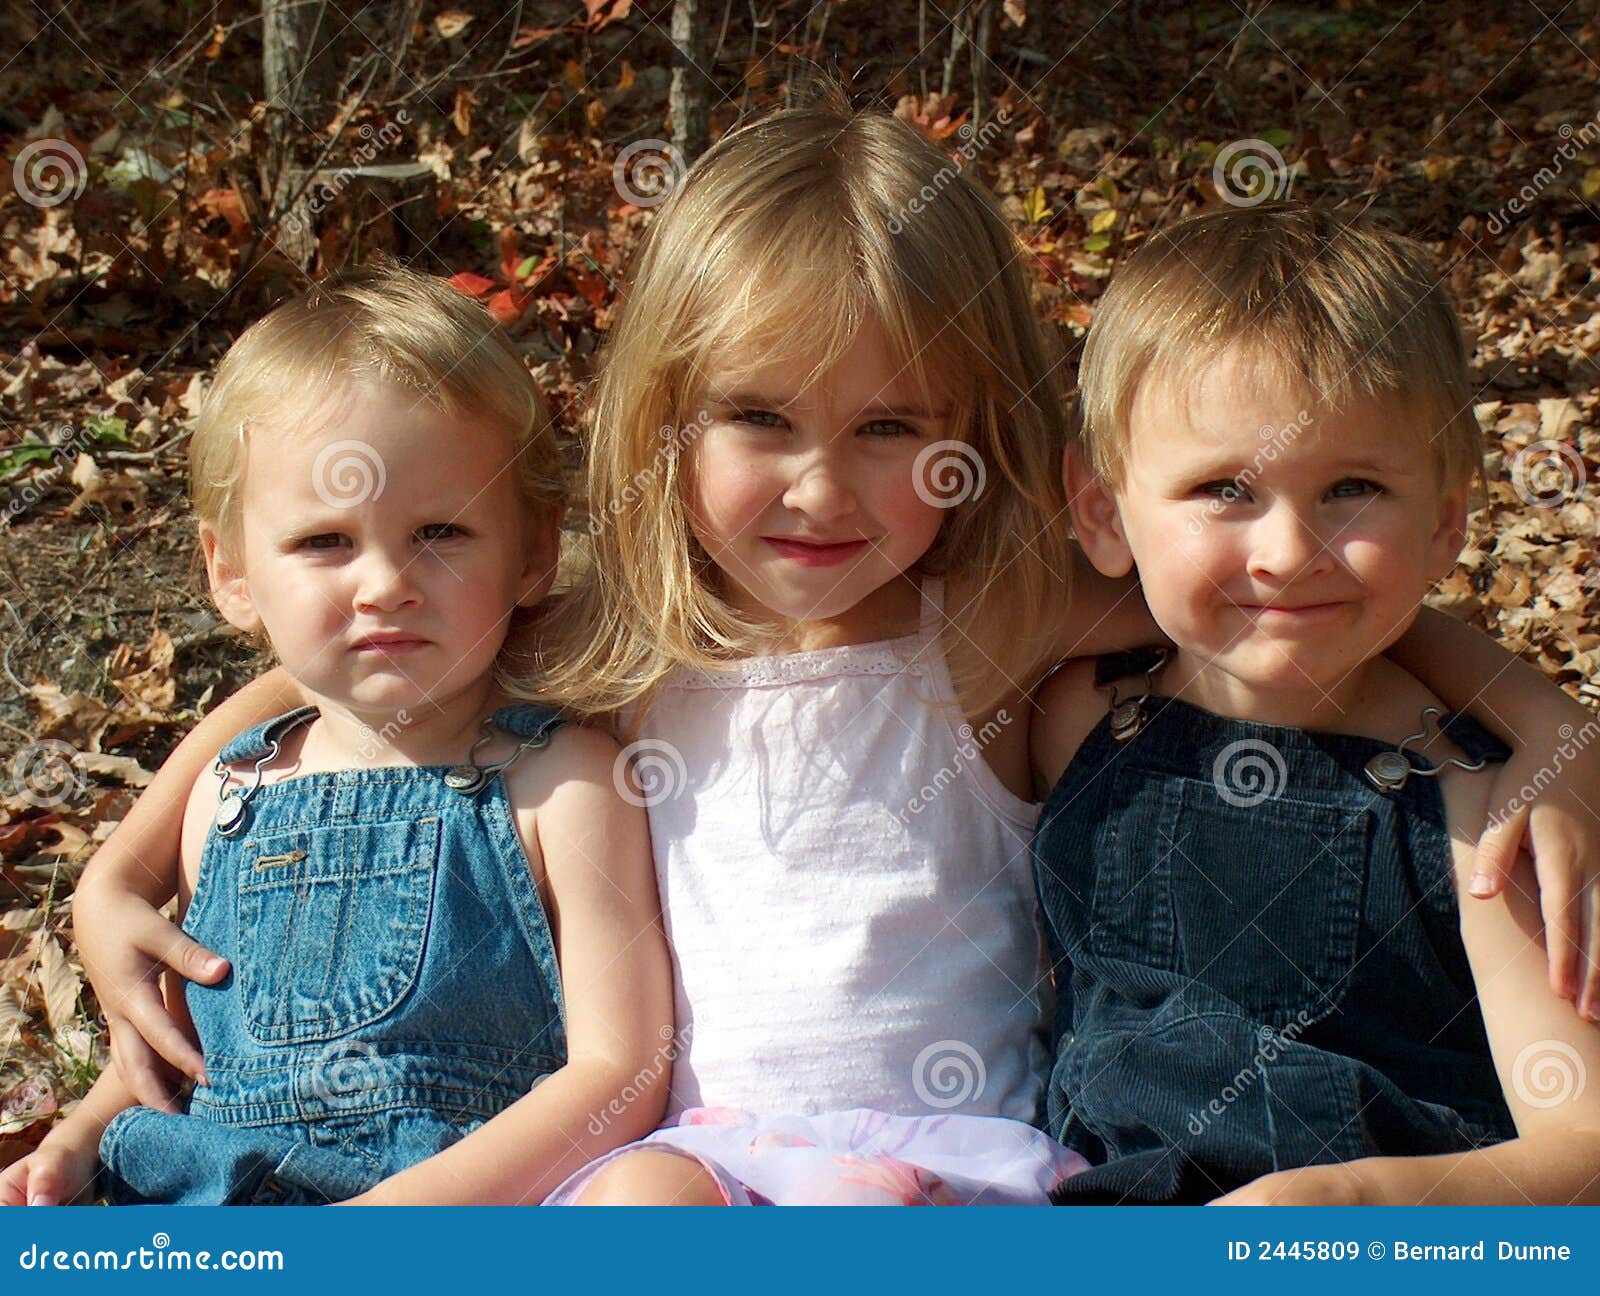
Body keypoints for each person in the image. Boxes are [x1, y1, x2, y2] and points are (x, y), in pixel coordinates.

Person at [67, 96, 1600, 1207]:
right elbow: (335, 663)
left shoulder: (994, 615)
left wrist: (1550, 739)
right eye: (759, 421)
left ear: (974, 437)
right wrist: (121, 870)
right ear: (666, 416)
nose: (820, 491)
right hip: (700, 1155)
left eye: (889, 430)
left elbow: (1289, 604)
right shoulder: (628, 621)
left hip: (960, 1157)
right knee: (634, 1217)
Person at [0, 266, 671, 1206]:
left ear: (533, 551)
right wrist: (73, 1139)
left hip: (453, 1214)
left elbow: (620, 1071)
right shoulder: (231, 792)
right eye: (324, 542)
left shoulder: (561, 783)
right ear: (231, 574)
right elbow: (191, 1035)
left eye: (440, 532)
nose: (384, 583)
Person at [1033, 205, 1600, 1205]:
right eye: (1222, 489)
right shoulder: (1075, 714)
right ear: (1100, 511)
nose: (1288, 554)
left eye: (1349, 488)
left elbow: (1583, 1142)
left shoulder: (1481, 813)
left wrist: (1357, 1203)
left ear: (1445, 521)